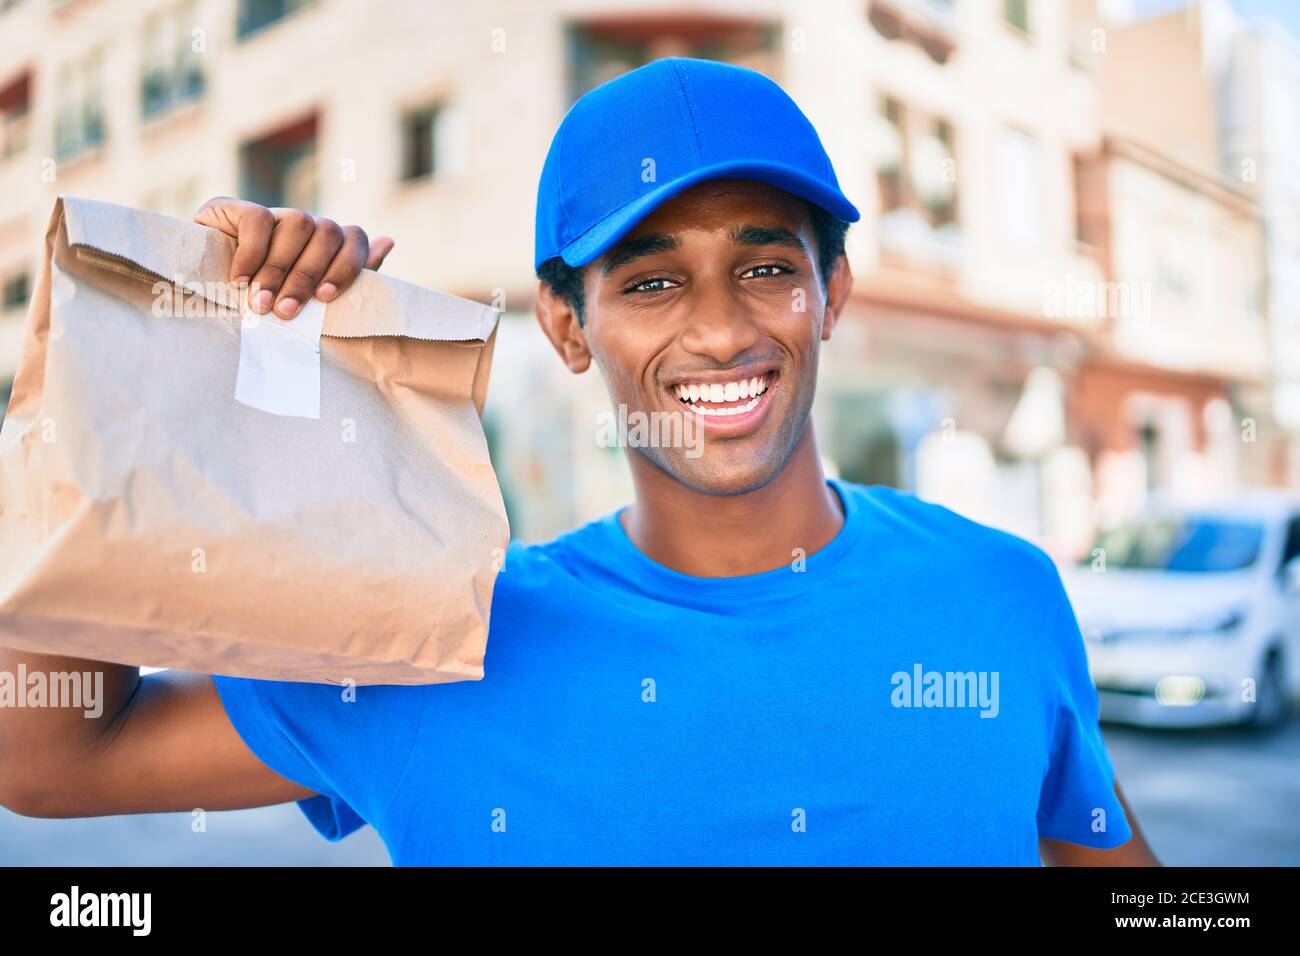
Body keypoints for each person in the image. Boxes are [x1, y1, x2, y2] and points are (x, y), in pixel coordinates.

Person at [0, 58, 1157, 865]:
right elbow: (52, 760)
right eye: (651, 281)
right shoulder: (431, 638)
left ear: (828, 294)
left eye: (764, 266)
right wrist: (161, 347)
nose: (719, 330)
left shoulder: (1002, 590)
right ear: (566, 326)